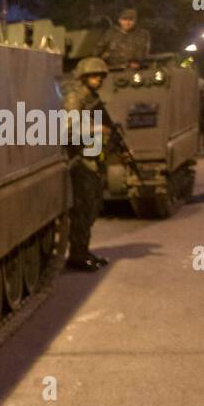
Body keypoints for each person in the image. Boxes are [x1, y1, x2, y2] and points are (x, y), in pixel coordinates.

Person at [62, 57, 121, 270]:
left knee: (92, 207)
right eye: (94, 75)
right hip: (79, 161)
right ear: (83, 77)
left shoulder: (93, 98)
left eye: (101, 76)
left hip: (93, 159)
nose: (98, 79)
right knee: (83, 209)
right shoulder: (75, 99)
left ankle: (83, 251)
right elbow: (67, 131)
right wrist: (98, 129)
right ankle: (77, 255)